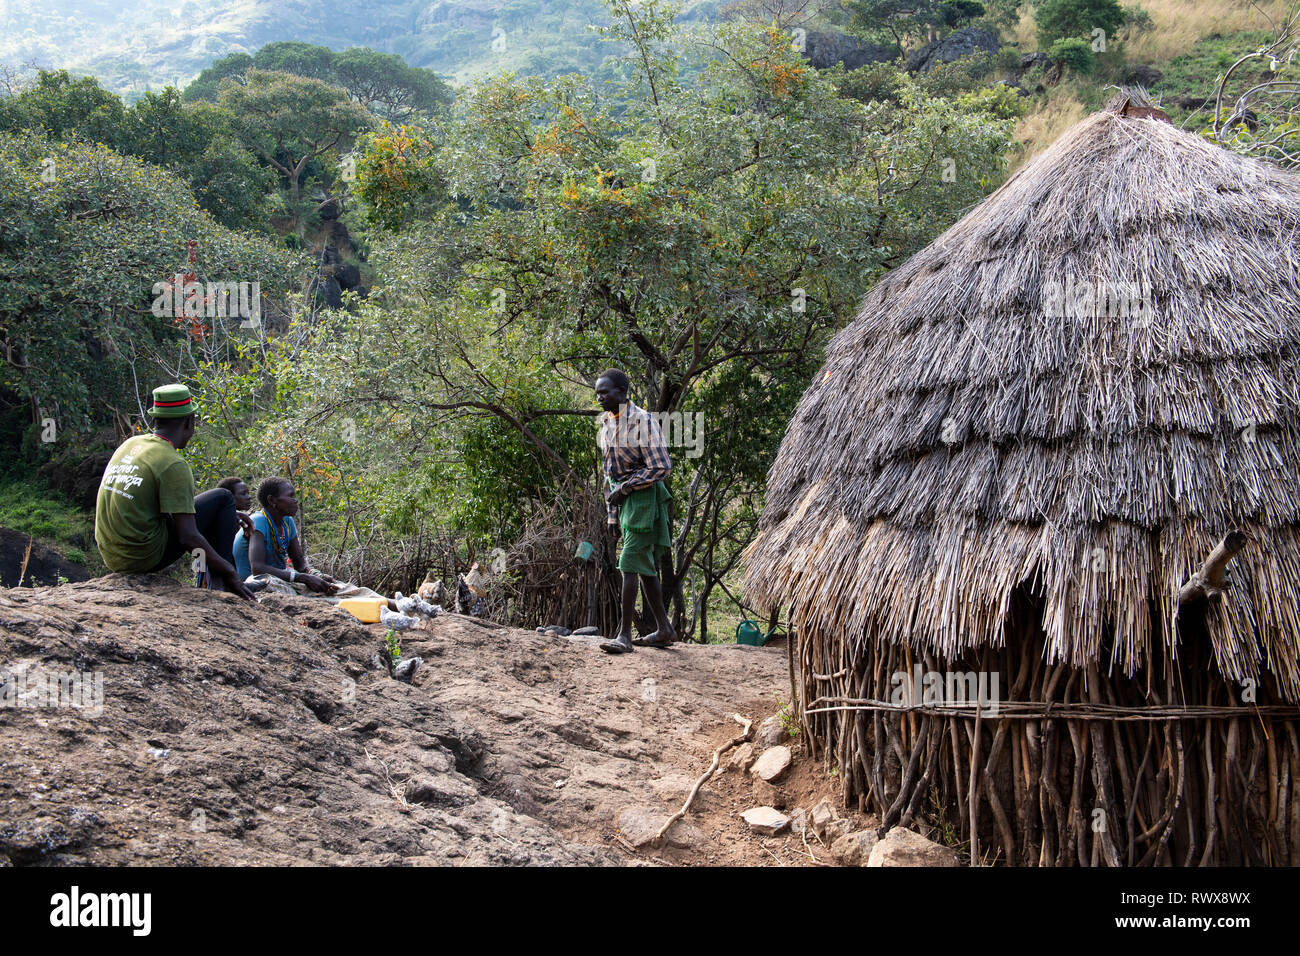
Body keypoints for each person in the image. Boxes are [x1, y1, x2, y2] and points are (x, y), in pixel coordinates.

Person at [94, 383, 253, 600]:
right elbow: (188, 537)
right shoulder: (173, 463)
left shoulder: (130, 445)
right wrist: (229, 569)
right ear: (189, 422)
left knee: (213, 509)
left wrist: (219, 519)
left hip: (112, 555)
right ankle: (222, 582)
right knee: (223, 498)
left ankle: (208, 578)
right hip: (142, 557)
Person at [235, 476, 435, 624]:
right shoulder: (258, 522)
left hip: (287, 579)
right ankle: (386, 609)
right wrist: (304, 579)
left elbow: (300, 564)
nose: (295, 500)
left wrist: (317, 576)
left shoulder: (287, 523)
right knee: (308, 599)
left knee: (343, 588)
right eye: (291, 496)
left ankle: (406, 606)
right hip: (260, 584)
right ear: (272, 501)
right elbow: (257, 568)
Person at [593, 369, 677, 654]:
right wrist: (611, 515)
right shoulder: (606, 423)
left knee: (629, 562)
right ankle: (664, 629)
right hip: (625, 502)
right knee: (643, 565)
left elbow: (662, 466)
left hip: (644, 500)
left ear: (622, 392)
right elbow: (609, 475)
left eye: (604, 392)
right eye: (597, 392)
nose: (599, 397)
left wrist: (627, 488)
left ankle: (624, 636)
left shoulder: (643, 421)